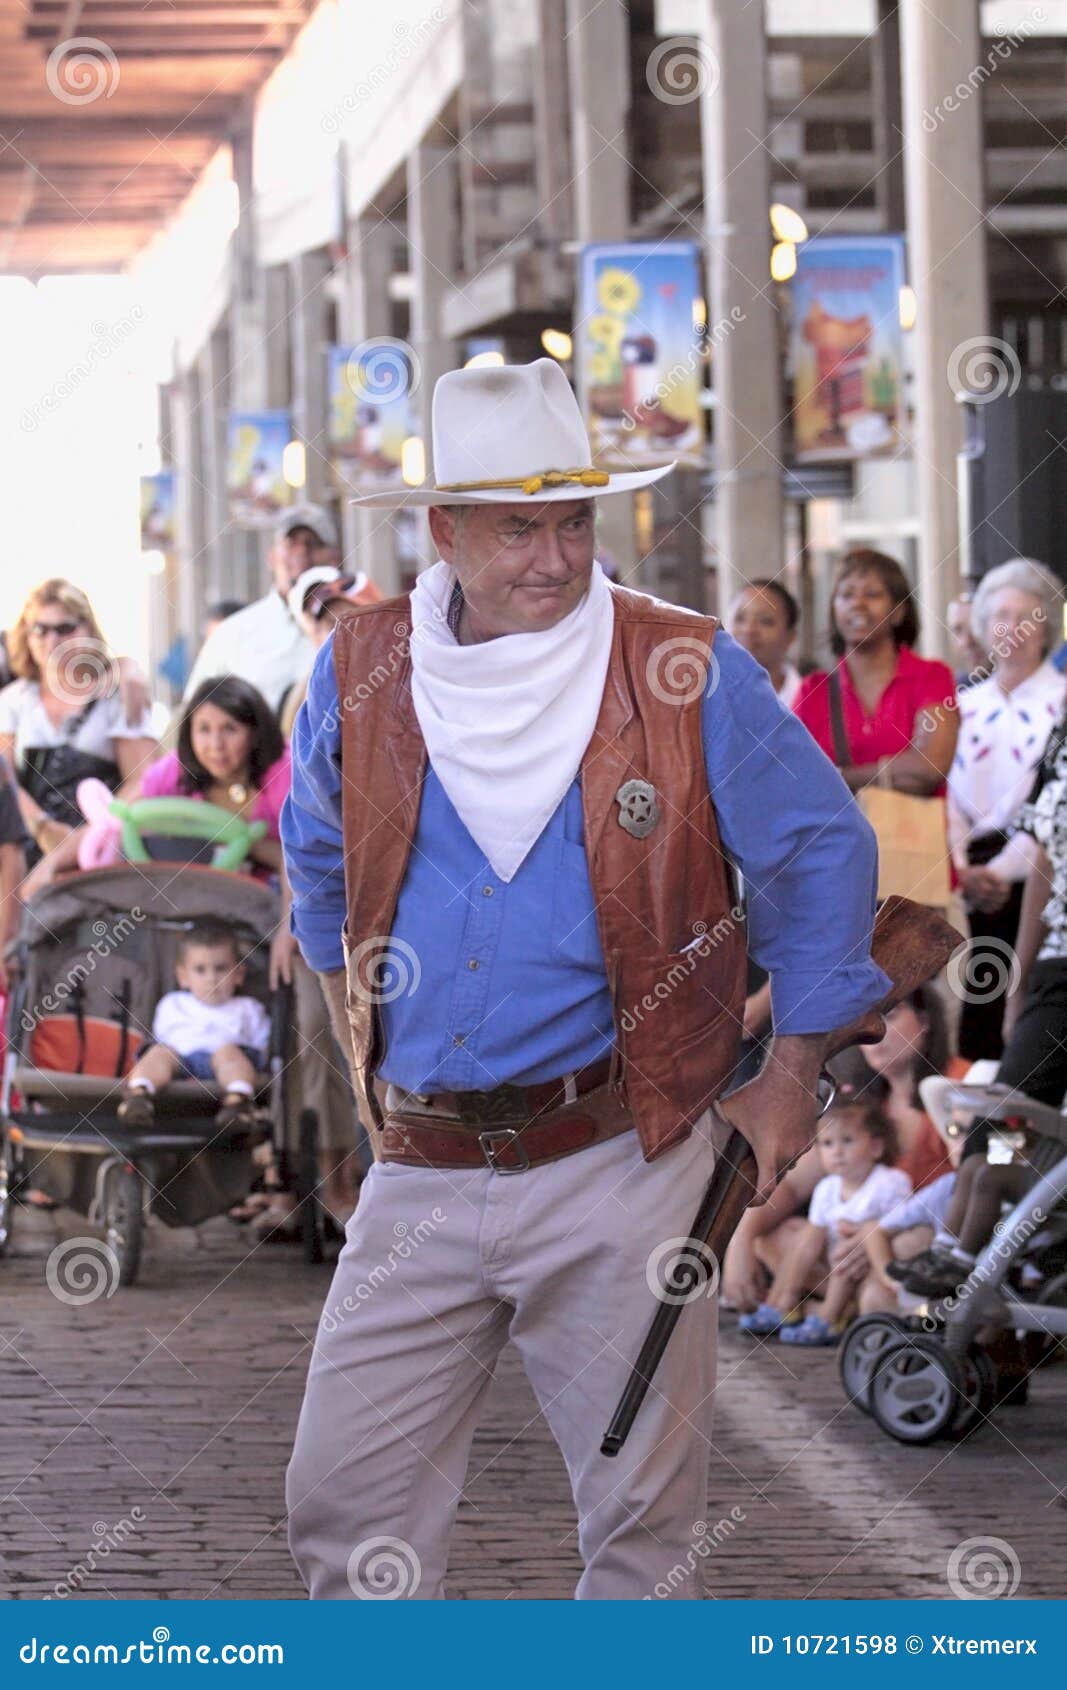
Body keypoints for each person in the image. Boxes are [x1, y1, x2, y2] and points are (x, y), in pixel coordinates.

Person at [281, 357, 891, 1600]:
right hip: (423, 1168)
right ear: (442, 530)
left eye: (573, 520)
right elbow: (318, 862)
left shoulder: (683, 665)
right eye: (518, 525)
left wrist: (791, 1072)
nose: (555, 557)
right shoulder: (358, 671)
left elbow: (822, 846)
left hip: (625, 1156)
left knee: (642, 1541)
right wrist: (374, 1034)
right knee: (345, 1515)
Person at [947, 557, 1065, 1059]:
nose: (1010, 629)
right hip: (964, 881)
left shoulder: (1062, 701)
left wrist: (999, 871)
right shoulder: (961, 703)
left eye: (1024, 617)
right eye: (1000, 616)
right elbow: (946, 795)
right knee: (968, 1008)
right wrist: (961, 868)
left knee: (1022, 1015)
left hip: (1035, 878)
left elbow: (1049, 805)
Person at [0, 580, 157, 866]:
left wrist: (93, 835)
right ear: (26, 635)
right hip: (32, 850)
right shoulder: (13, 701)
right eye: (40, 629)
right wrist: (43, 827)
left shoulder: (118, 693)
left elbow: (144, 781)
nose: (52, 640)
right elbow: (4, 780)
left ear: (88, 630)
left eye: (65, 628)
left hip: (104, 852)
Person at [737, 1098, 909, 1345]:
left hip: (869, 1262)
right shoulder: (828, 1187)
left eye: (847, 1141)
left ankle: (829, 1318)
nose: (837, 1151)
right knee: (808, 1232)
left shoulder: (890, 1182)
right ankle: (784, 1300)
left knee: (842, 1248)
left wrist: (861, 1235)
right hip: (834, 1259)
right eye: (827, 1144)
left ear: (876, 1148)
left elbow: (899, 1224)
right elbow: (814, 1236)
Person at [793, 548, 958, 799]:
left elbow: (927, 769)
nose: (857, 604)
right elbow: (795, 779)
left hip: (911, 835)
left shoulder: (931, 676)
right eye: (846, 595)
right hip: (834, 838)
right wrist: (892, 772)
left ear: (899, 612)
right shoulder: (812, 690)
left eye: (872, 594)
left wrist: (837, 778)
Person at [182, 505, 339, 715]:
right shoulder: (233, 634)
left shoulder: (354, 626)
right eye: (291, 543)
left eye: (314, 543)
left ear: (334, 558)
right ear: (272, 556)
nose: (301, 551)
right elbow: (195, 713)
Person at [119, 921, 269, 1130]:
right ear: (183, 977)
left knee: (229, 1054)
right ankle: (138, 1095)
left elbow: (263, 1049)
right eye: (200, 970)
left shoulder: (248, 1008)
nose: (211, 979)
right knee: (160, 1052)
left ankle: (238, 1102)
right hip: (180, 1061)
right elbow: (161, 1037)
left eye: (221, 969)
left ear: (238, 975)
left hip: (227, 1062)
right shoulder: (173, 1003)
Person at [727, 578, 802, 708]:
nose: (748, 630)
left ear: (790, 637)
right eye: (739, 618)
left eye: (765, 621)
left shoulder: (810, 702)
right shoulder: (704, 697)